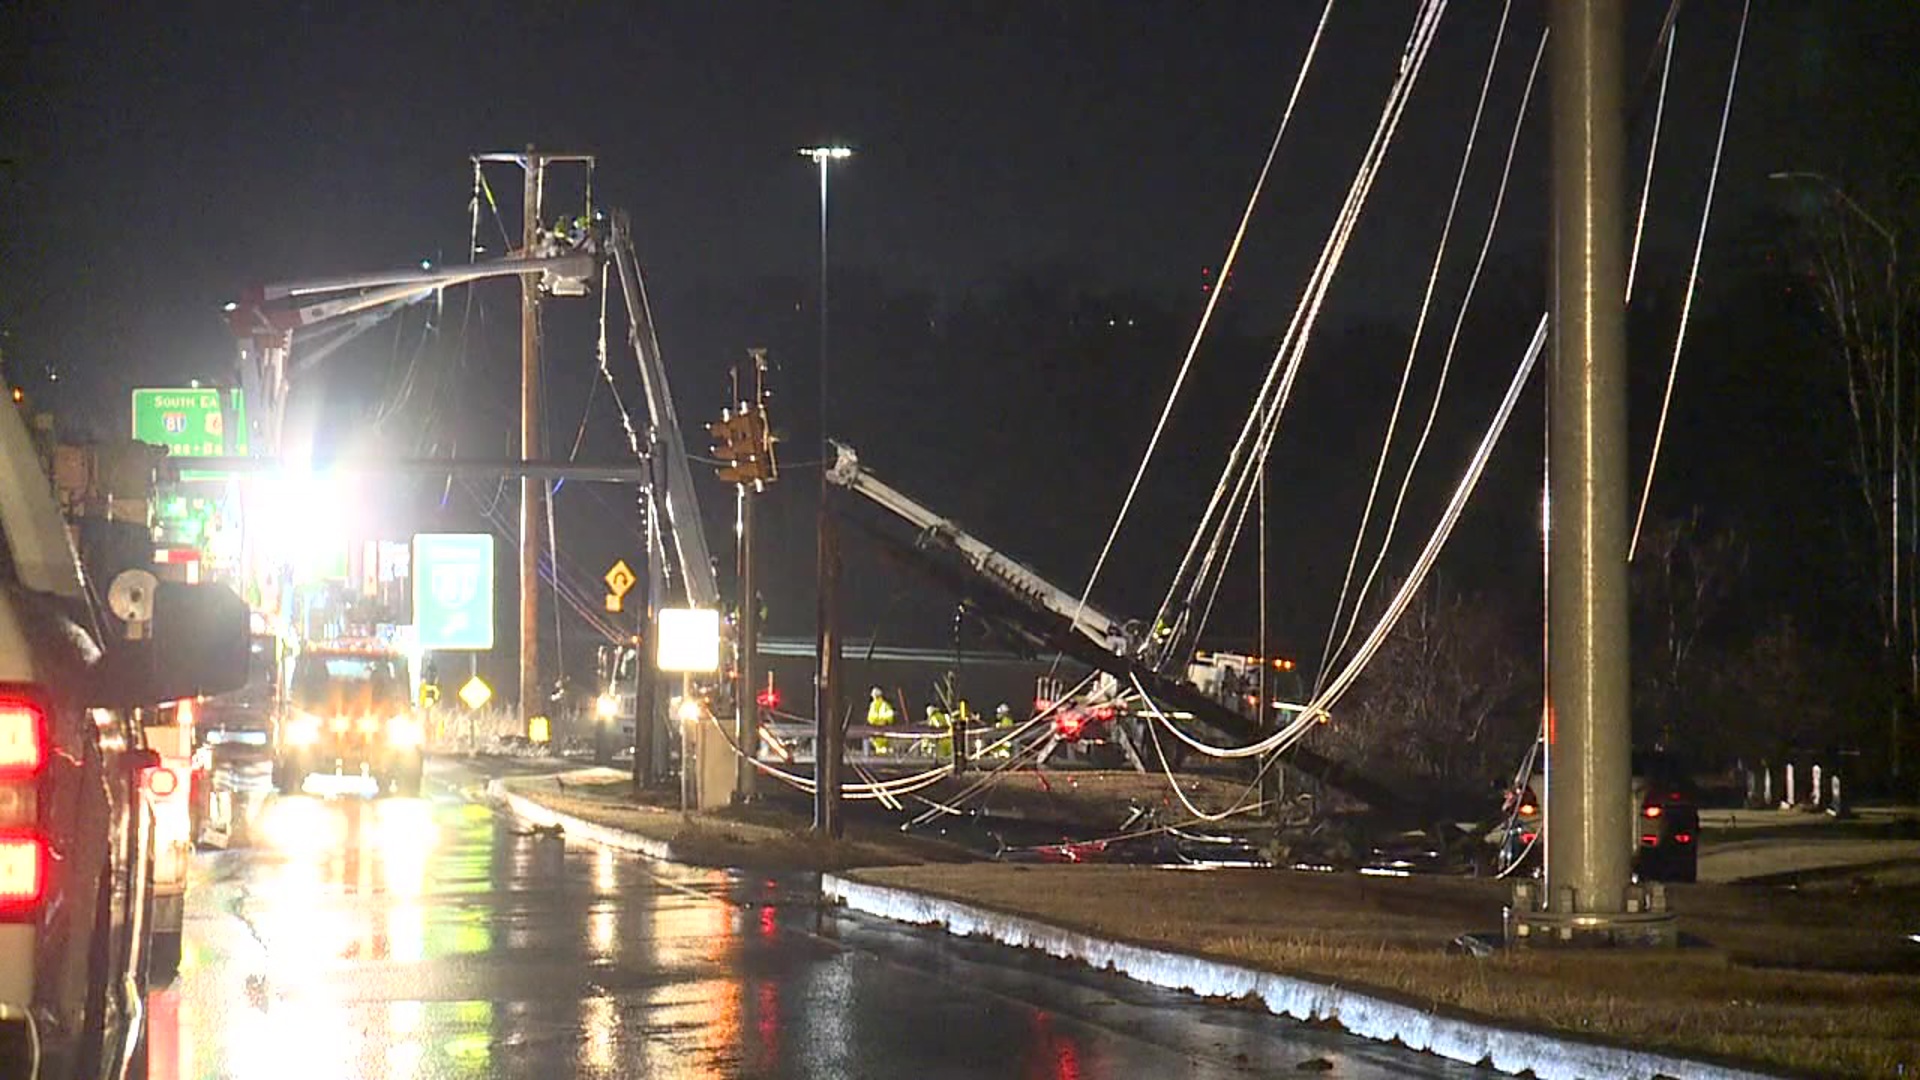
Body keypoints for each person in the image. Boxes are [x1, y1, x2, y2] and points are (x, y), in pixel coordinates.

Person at [867, 687, 896, 754]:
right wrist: (880, 718)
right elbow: (870, 718)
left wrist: (879, 718)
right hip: (875, 733)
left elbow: (890, 716)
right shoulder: (873, 705)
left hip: (884, 732)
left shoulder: (885, 705)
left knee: (883, 749)